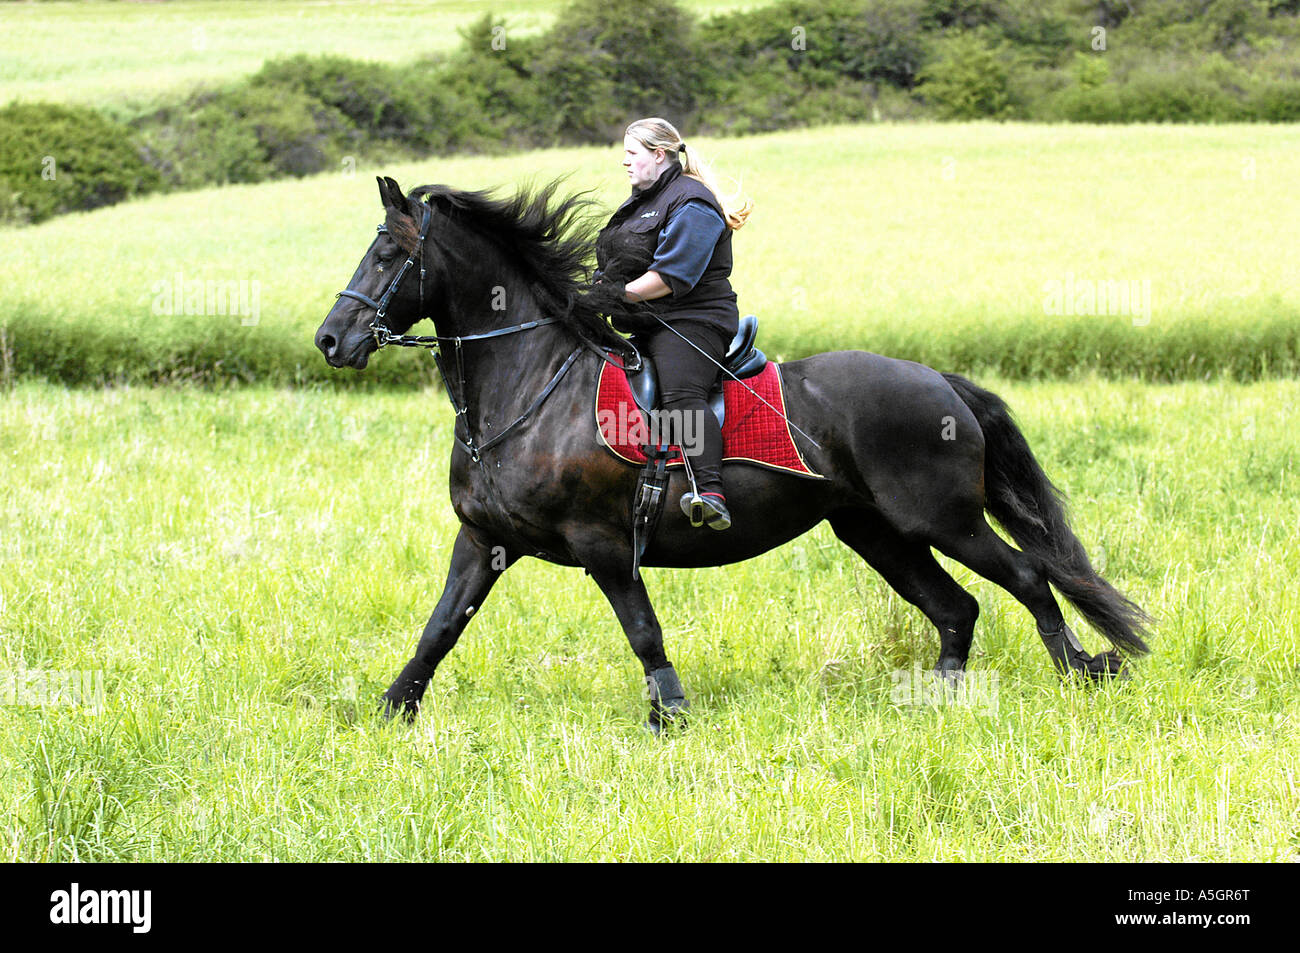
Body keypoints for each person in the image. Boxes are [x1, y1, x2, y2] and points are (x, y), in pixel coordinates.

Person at [591, 117, 753, 531]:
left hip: (692, 321)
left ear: (658, 155)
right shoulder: (642, 200)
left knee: (681, 392)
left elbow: (670, 278)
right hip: (647, 321)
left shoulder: (693, 202)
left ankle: (711, 491)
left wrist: (617, 295)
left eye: (632, 153)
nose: (624, 162)